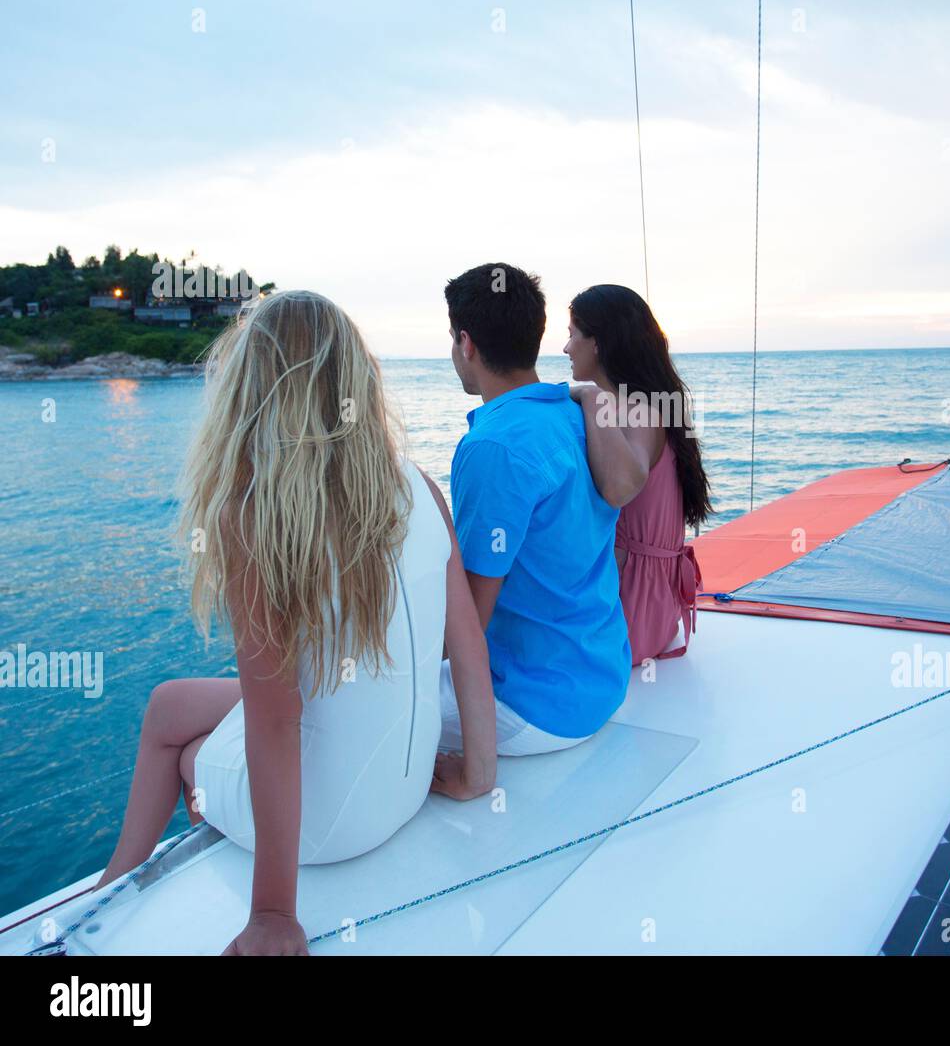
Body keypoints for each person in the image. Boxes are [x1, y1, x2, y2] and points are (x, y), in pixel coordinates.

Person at [94, 291, 498, 956]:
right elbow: (467, 647)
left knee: (188, 755)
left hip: (332, 831)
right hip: (409, 788)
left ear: (254, 386)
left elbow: (276, 720)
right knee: (171, 704)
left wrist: (274, 913)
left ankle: (114, 891)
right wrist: (479, 773)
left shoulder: (256, 514)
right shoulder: (418, 486)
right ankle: (116, 884)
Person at [440, 264, 631, 756]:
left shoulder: (492, 446)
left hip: (532, 709)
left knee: (347, 706)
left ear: (467, 343)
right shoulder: (577, 414)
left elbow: (468, 624)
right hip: (601, 681)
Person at [563, 284, 712, 665]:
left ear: (598, 343)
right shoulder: (650, 404)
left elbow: (619, 488)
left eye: (572, 334)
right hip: (656, 608)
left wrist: (590, 397)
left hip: (631, 614)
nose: (566, 348)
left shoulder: (638, 409)